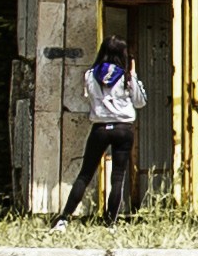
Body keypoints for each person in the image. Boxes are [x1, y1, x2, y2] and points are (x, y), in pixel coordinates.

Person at [54, 40, 142, 225]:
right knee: (117, 177)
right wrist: (133, 74)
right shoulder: (126, 76)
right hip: (123, 128)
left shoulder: (90, 74)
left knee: (85, 174)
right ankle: (110, 223)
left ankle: (63, 219)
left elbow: (89, 97)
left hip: (100, 128)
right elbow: (140, 102)